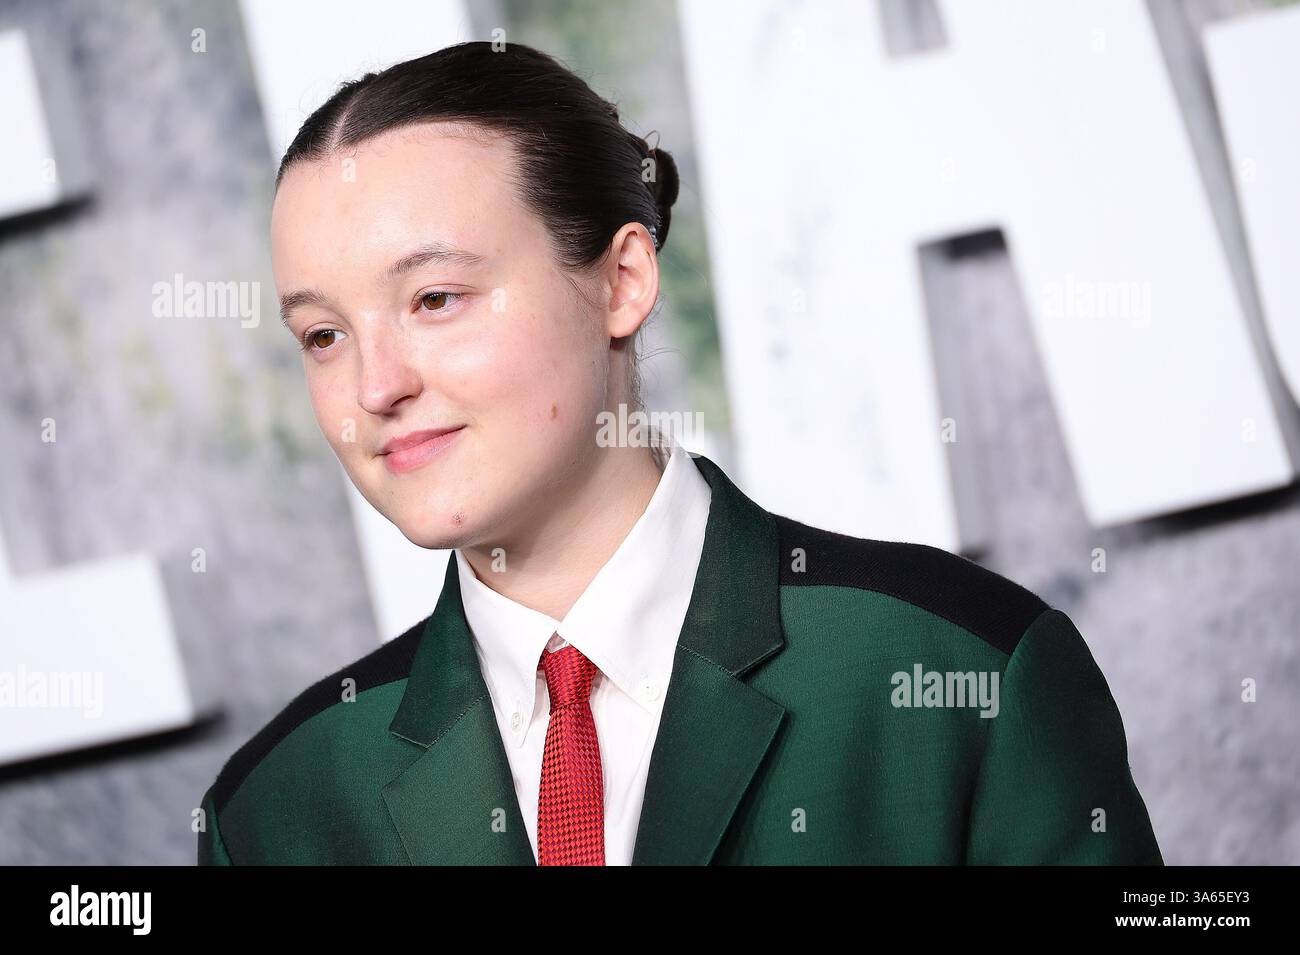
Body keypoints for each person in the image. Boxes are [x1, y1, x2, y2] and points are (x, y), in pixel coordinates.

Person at [196, 40, 1162, 865]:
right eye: (323, 335)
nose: (376, 386)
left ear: (622, 279)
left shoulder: (961, 677)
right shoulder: (280, 810)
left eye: (435, 298)